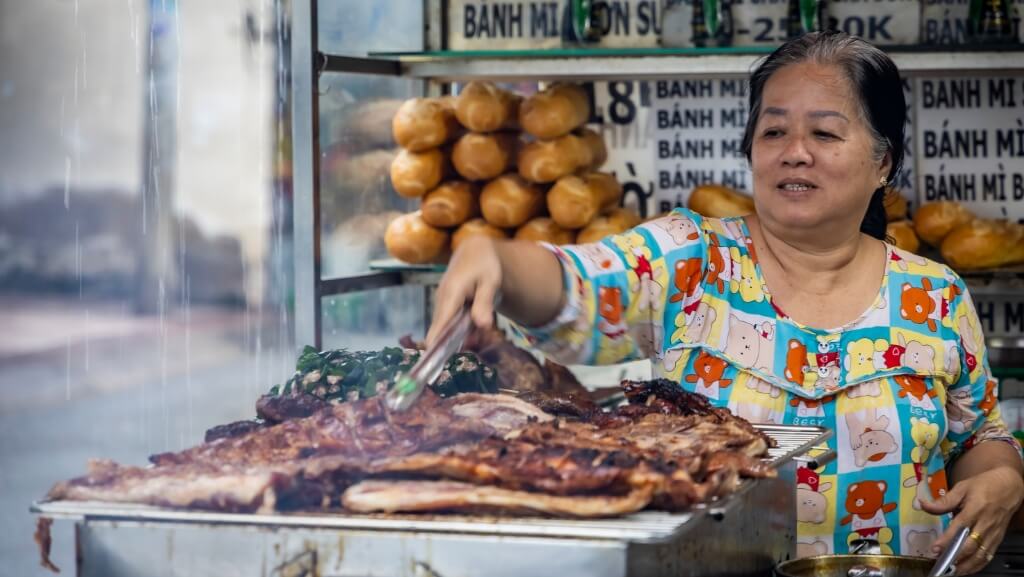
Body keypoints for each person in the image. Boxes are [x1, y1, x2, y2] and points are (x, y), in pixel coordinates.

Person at [427, 31, 1023, 573]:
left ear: (883, 162)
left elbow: (977, 437)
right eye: (773, 131)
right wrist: (497, 260)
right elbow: (580, 283)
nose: (794, 151)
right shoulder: (692, 259)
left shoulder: (934, 294)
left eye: (824, 132)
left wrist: (1001, 480)